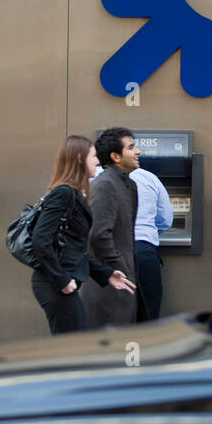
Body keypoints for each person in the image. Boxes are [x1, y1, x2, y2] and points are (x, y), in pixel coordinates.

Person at [30, 135, 136, 335]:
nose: (98, 162)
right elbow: (40, 240)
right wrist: (61, 280)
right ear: (80, 159)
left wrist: (106, 273)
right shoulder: (63, 193)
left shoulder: (74, 193)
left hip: (60, 282)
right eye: (94, 156)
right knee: (71, 345)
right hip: (55, 284)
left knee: (71, 343)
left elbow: (74, 248)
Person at [83, 126, 147, 327]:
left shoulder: (128, 184)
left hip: (122, 279)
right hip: (109, 283)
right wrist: (120, 267)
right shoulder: (105, 185)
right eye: (131, 147)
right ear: (115, 156)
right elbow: (99, 235)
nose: (138, 151)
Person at [129, 165, 172, 319]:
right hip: (143, 250)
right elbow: (166, 219)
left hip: (108, 253)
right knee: (147, 313)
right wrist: (150, 230)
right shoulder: (149, 177)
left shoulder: (95, 177)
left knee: (113, 316)